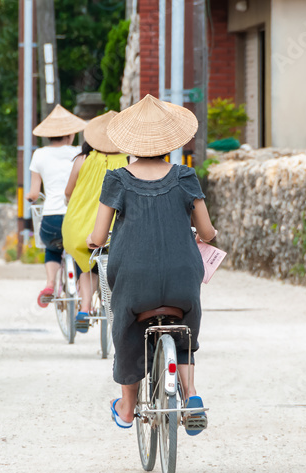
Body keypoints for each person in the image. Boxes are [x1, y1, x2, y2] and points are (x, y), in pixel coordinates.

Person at [87, 95, 217, 436]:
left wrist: (93, 241)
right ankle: (190, 396)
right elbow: (206, 231)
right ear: (170, 143)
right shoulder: (185, 176)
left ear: (130, 144)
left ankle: (128, 408)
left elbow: (99, 235)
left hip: (134, 279)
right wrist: (208, 232)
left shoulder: (116, 179)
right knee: (186, 333)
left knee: (126, 329)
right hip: (181, 281)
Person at [62, 111, 128, 332]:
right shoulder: (129, 161)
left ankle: (85, 308)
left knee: (87, 263)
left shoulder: (82, 160)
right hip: (116, 229)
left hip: (80, 226)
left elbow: (69, 193)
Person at [26, 104, 87, 307]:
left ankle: (50, 284)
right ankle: (81, 293)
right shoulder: (80, 153)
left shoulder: (39, 155)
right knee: (80, 251)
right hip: (76, 217)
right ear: (70, 134)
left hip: (51, 219)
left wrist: (31, 197)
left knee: (52, 249)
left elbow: (34, 193)